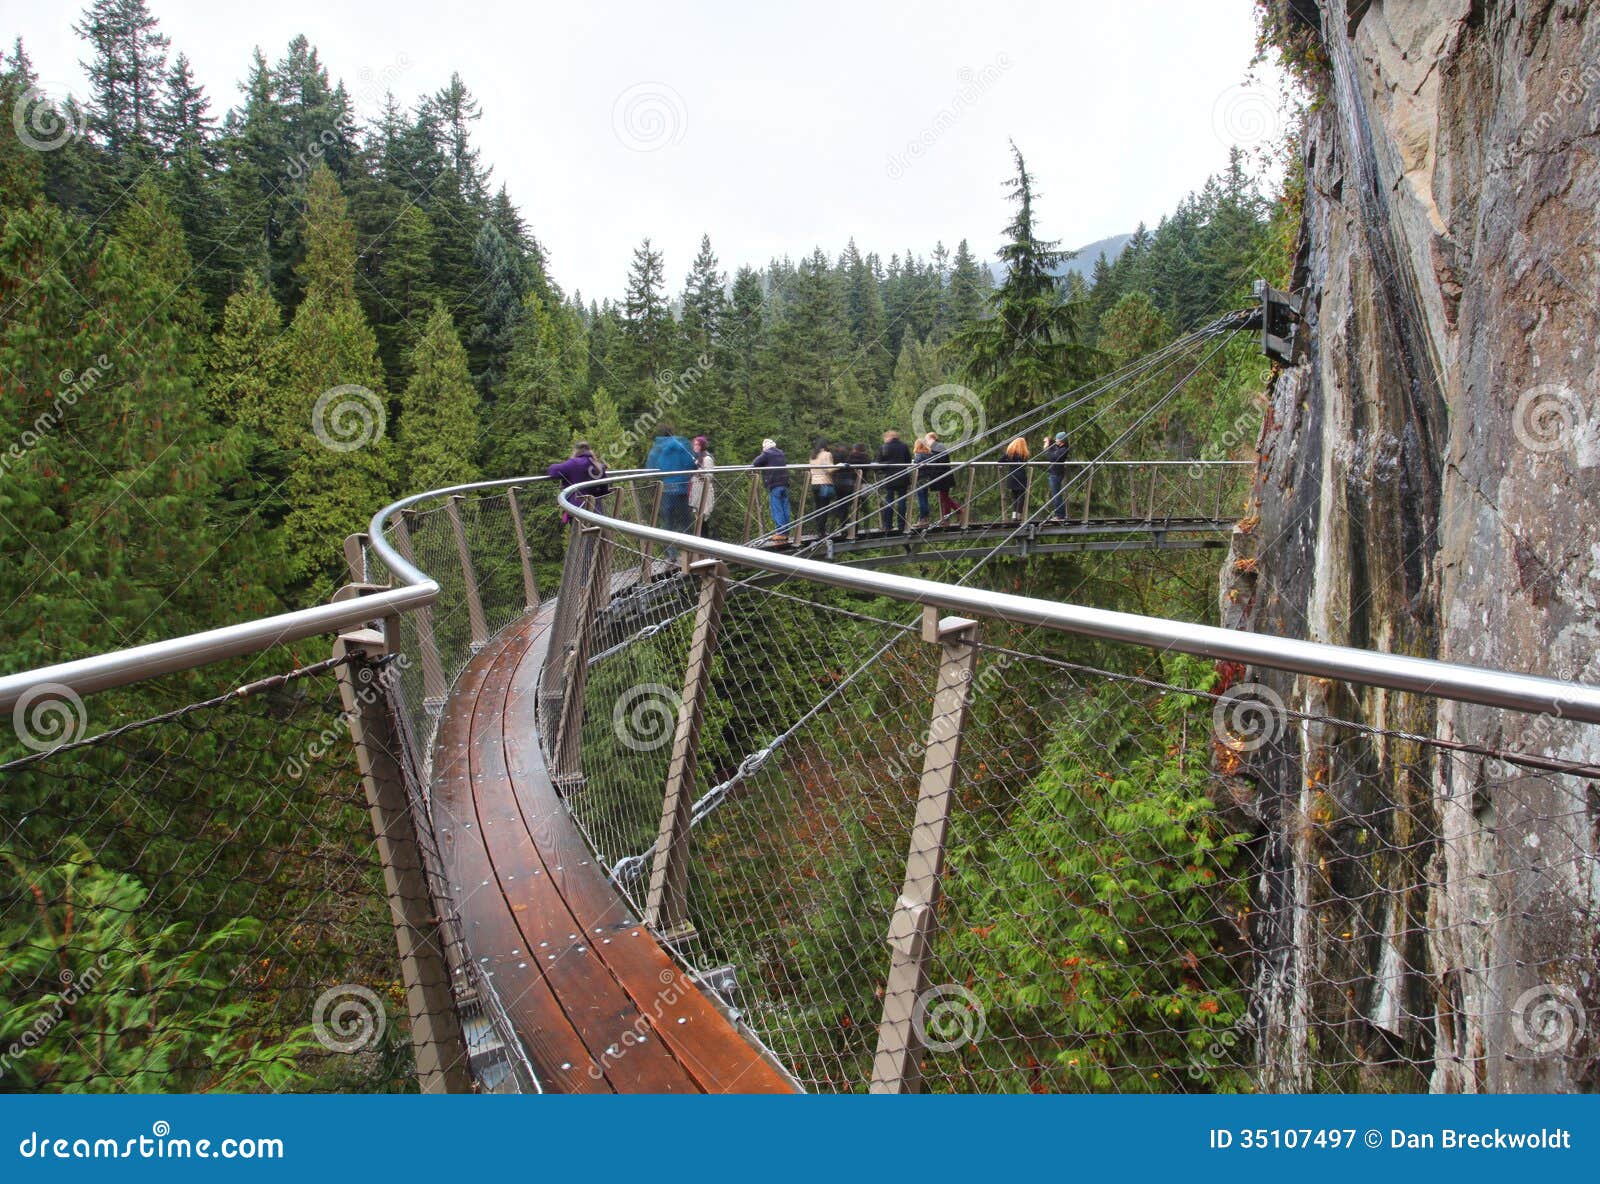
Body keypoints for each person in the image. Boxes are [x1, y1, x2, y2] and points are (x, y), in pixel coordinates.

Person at [647, 424, 697, 558]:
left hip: (667, 489)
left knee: (668, 522)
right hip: (682, 488)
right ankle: (689, 552)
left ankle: (671, 554)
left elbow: (651, 469)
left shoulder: (657, 449)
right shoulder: (683, 445)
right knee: (685, 520)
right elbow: (692, 464)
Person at [547, 442, 609, 523]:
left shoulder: (574, 463)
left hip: (577, 511)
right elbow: (604, 489)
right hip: (596, 511)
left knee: (578, 533)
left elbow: (553, 471)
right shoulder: (597, 465)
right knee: (596, 532)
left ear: (575, 451)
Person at [751, 437, 791, 544]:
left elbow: (755, 462)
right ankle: (786, 532)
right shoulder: (781, 453)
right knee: (785, 508)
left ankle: (780, 532)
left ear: (765, 448)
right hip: (785, 484)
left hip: (775, 484)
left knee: (777, 508)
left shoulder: (767, 453)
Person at [875, 429, 913, 534]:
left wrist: (886, 467)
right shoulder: (904, 446)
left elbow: (878, 463)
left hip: (890, 477)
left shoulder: (884, 447)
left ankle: (888, 525)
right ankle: (901, 525)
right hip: (903, 477)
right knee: (902, 501)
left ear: (888, 437)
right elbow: (908, 461)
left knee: (889, 500)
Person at [925, 431, 963, 523]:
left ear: (931, 438)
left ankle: (959, 510)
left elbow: (940, 461)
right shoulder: (936, 447)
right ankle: (946, 518)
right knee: (944, 497)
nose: (926, 442)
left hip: (943, 476)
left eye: (927, 440)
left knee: (944, 497)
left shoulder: (938, 447)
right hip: (942, 475)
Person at [833, 442, 868, 534]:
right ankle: (857, 528)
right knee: (856, 507)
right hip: (859, 485)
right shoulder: (866, 459)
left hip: (844, 483)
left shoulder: (849, 459)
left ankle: (843, 527)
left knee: (843, 506)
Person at [808, 440, 837, 537]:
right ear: (825, 445)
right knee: (824, 508)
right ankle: (822, 531)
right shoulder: (826, 454)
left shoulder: (813, 455)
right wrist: (839, 466)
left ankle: (819, 530)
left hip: (814, 483)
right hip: (824, 483)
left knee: (818, 507)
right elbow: (829, 469)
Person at [1040, 430, 1070, 520]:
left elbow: (1052, 458)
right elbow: (1054, 447)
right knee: (1055, 494)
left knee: (1056, 495)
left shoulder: (1063, 450)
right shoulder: (1060, 447)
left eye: (1057, 439)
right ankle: (1060, 514)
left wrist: (1046, 448)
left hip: (1057, 474)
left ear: (1061, 441)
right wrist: (1049, 441)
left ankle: (1060, 515)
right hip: (1054, 473)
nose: (1056, 441)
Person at [690, 434, 716, 536]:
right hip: (698, 492)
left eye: (697, 445)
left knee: (703, 517)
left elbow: (709, 476)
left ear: (702, 446)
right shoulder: (700, 457)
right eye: (694, 445)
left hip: (704, 492)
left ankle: (704, 542)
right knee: (699, 518)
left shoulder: (707, 458)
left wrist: (699, 471)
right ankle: (700, 541)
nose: (694, 447)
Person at [1003, 435, 1031, 520]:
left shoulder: (1010, 453)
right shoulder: (1024, 454)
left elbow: (1000, 461)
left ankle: (1014, 515)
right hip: (1021, 476)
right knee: (1021, 496)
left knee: (1014, 496)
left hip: (1012, 476)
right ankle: (1019, 515)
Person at [911, 435, 933, 527]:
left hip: (920, 478)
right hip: (927, 478)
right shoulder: (929, 454)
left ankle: (923, 519)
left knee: (921, 499)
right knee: (925, 497)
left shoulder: (919, 455)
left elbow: (916, 465)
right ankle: (925, 518)